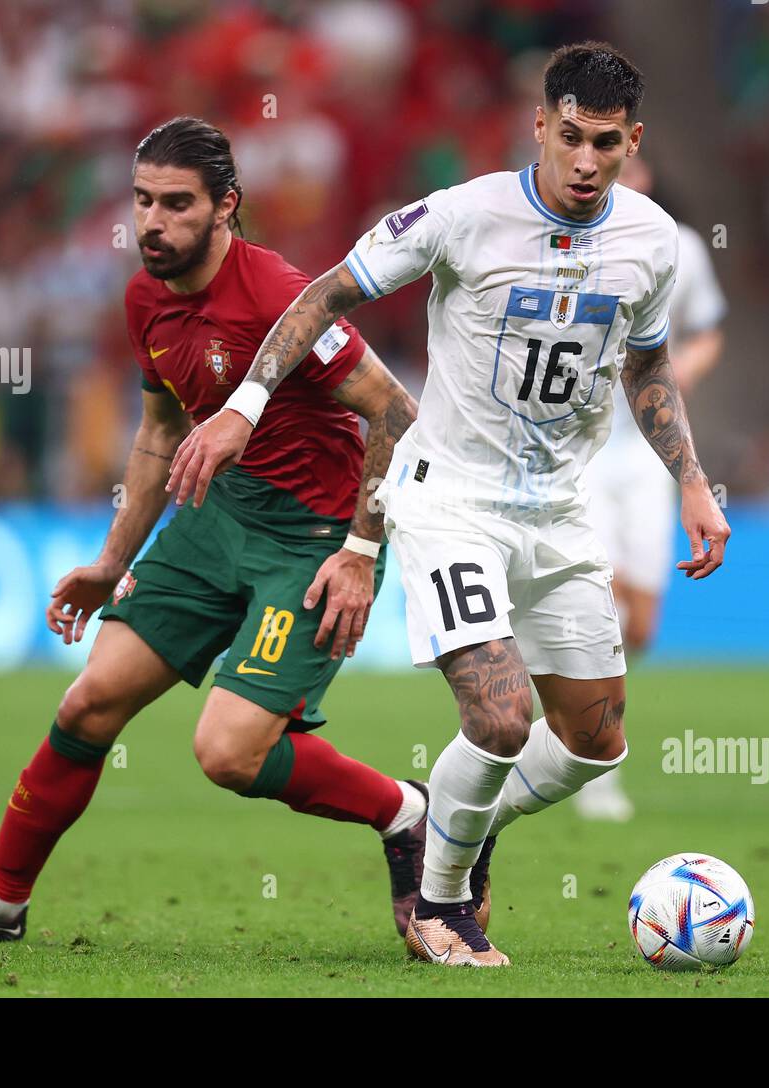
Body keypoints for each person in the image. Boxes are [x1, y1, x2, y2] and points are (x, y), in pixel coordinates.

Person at [167, 42, 731, 967]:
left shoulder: (653, 240)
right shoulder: (462, 217)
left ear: (635, 141)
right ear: (540, 125)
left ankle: (456, 825)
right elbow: (323, 295)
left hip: (559, 509)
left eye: (608, 145)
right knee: (502, 718)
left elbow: (647, 362)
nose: (587, 163)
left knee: (595, 745)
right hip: (449, 500)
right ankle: (441, 903)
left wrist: (694, 483)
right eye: (573, 138)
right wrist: (243, 405)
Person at [0, 117, 428, 944]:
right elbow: (159, 433)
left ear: (226, 208)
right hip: (216, 519)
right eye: (142, 202)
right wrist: (110, 560)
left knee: (229, 753)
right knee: (89, 703)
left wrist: (360, 551)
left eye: (176, 204)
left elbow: (397, 411)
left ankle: (407, 812)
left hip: (314, 538)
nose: (152, 223)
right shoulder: (144, 298)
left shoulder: (282, 297)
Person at [574, 153, 728, 822]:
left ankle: (563, 705)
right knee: (596, 602)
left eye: (632, 171)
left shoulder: (680, 247)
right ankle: (593, 764)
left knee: (641, 623)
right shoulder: (565, 239)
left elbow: (708, 329)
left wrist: (683, 369)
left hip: (647, 453)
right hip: (580, 449)